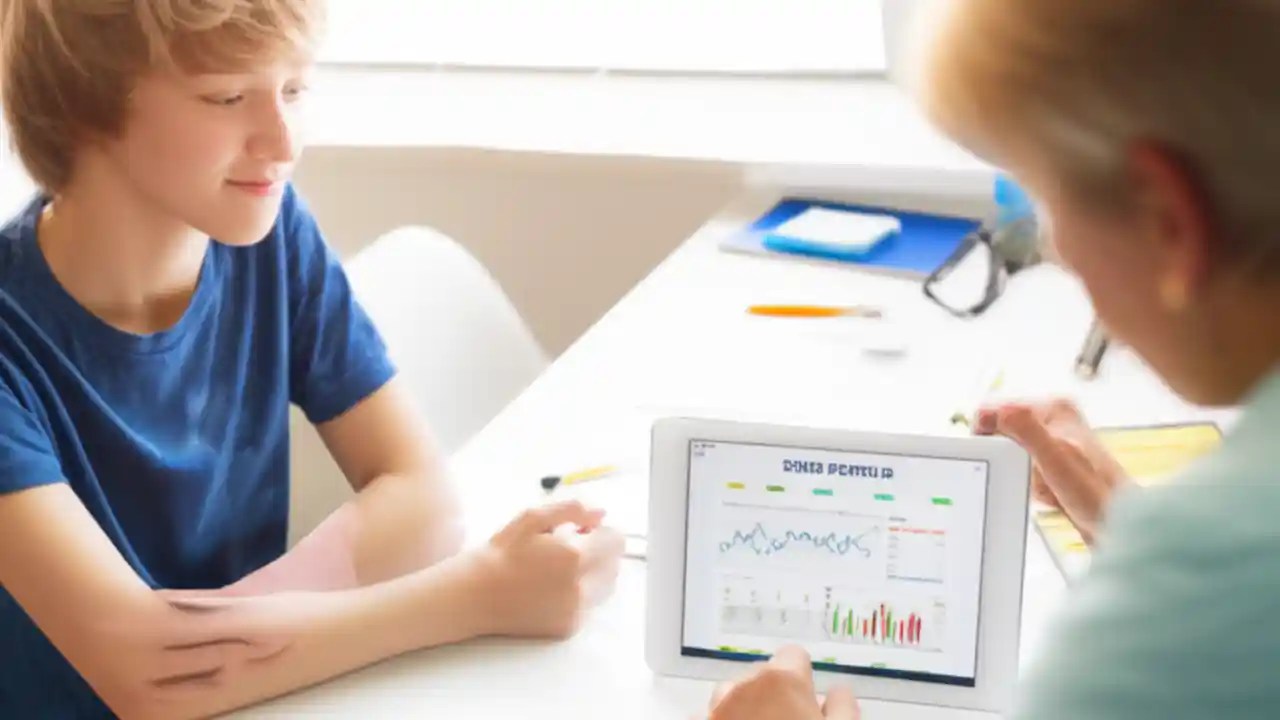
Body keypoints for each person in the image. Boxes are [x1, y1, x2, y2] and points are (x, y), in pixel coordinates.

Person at [0, 1, 622, 717]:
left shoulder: (270, 235)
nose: (284, 141)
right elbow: (150, 680)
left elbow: (421, 493)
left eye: (295, 89)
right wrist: (480, 596)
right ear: (84, 105)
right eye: (228, 96)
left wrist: (231, 641)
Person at [707, 1, 1280, 718]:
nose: (1053, 248)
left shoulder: (1182, 615)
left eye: (1044, 195)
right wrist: (1132, 525)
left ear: (1168, 215)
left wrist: (1179, 575)